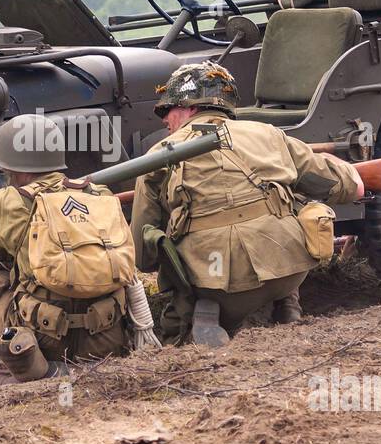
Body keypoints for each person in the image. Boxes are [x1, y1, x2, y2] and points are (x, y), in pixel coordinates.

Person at [129, 61, 364, 346]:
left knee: (174, 327)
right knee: (287, 208)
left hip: (219, 284)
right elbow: (351, 187)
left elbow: (142, 254)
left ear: (190, 107)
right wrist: (341, 166)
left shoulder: (157, 156)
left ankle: (201, 316)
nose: (164, 119)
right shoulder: (269, 134)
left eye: (168, 110)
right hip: (290, 270)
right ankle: (287, 305)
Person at [0, 113, 136, 384]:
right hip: (105, 336)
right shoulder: (98, 193)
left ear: (13, 168)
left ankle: (12, 362)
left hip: (45, 338)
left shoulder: (7, 201)